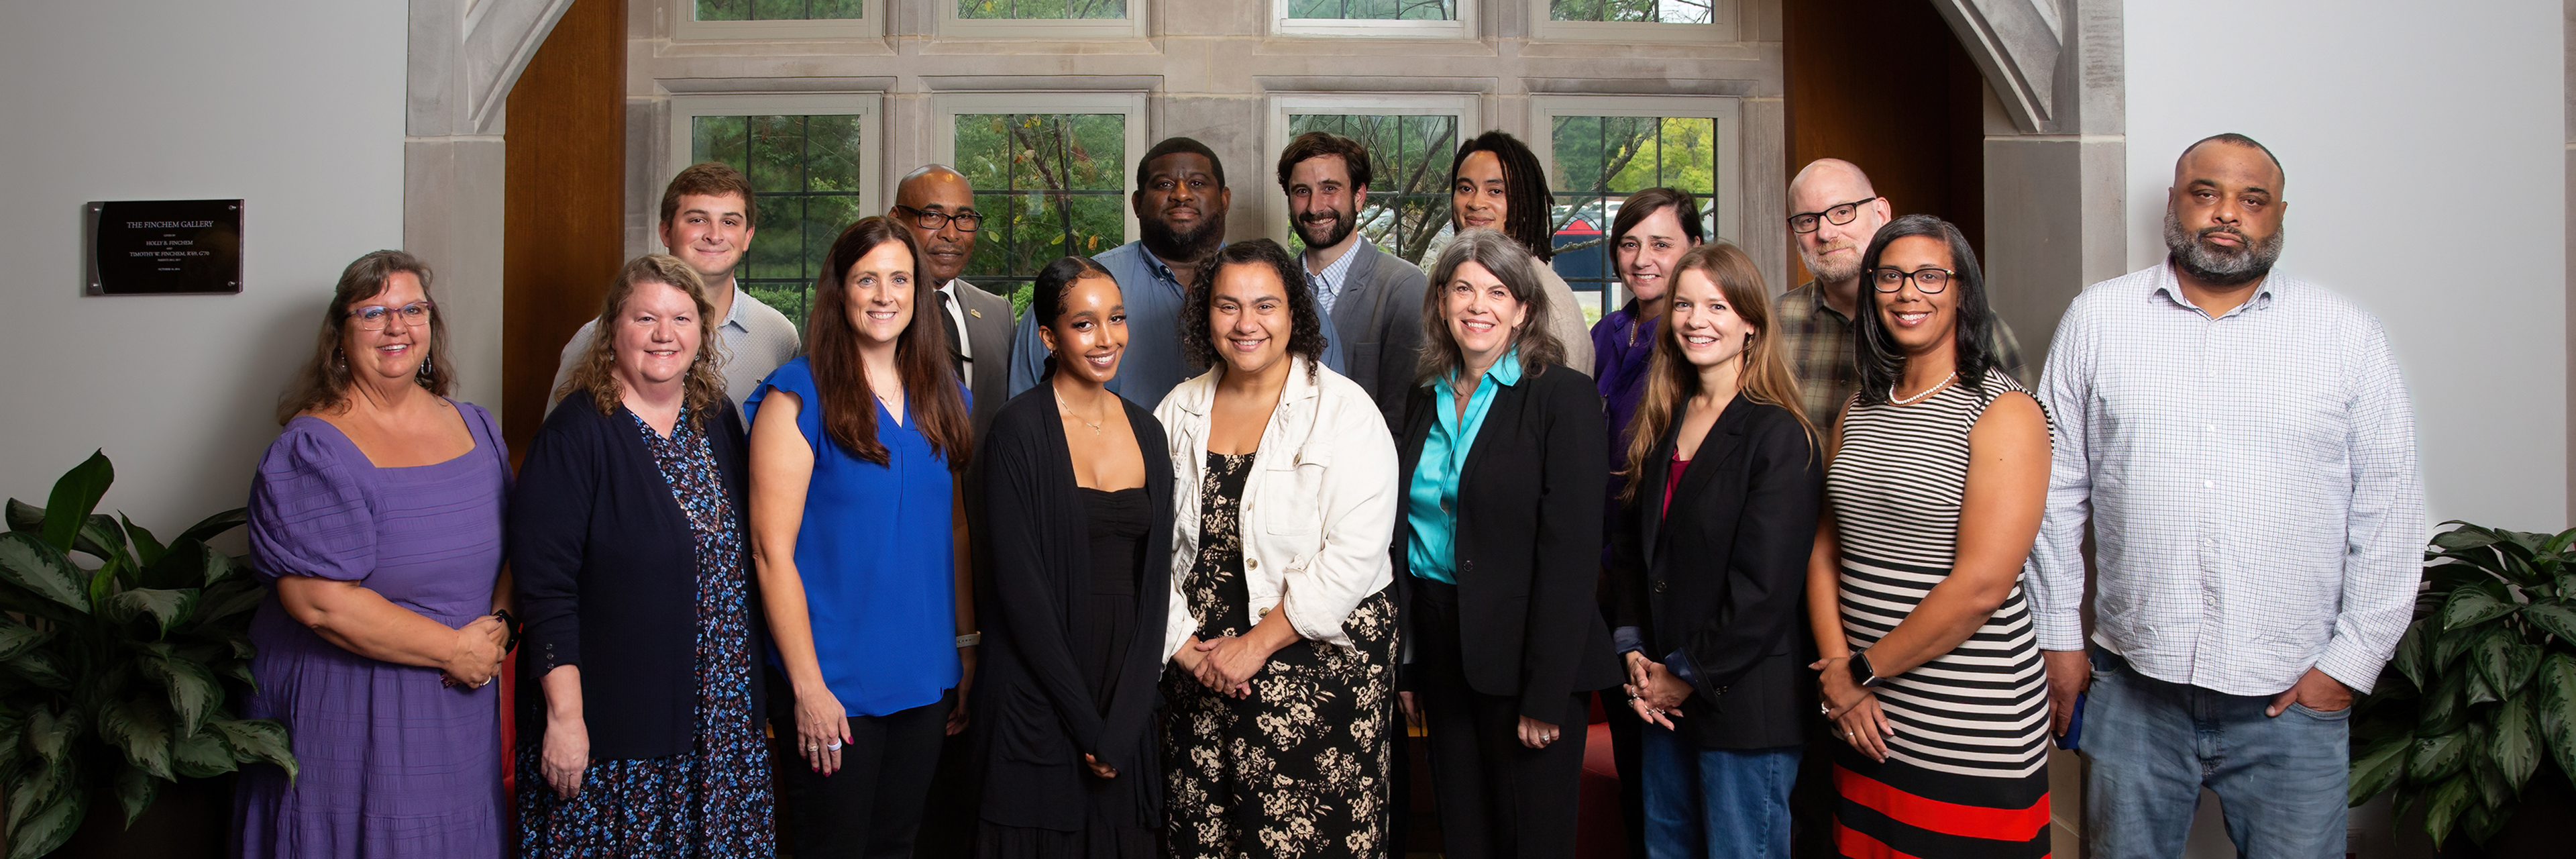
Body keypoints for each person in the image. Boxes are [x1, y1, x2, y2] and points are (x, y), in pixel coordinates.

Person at [2026, 135, 2421, 859]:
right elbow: (2054, 490)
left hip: (2292, 700)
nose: (2227, 214)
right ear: (2174, 202)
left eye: (2252, 199)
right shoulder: (2098, 319)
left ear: (2279, 216)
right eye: (2206, 193)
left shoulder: (2344, 336)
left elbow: (2391, 508)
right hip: (2133, 687)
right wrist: (2058, 635)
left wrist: (2348, 666)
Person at [237, 250, 512, 858]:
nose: (397, 326)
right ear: (340, 336)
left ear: (431, 327)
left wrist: (500, 626)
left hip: (460, 700)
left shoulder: (476, 426)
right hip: (349, 702)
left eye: (413, 309)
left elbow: (515, 545)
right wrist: (455, 650)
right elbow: (318, 604)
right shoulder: (312, 446)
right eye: (374, 313)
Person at [1805, 215, 2051, 858]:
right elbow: (1824, 547)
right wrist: (1838, 673)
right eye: (1890, 276)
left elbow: (1982, 586)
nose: (1908, 292)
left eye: (1930, 276)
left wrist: (1862, 670)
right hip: (1865, 718)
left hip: (1968, 719)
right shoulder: (1862, 405)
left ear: (1963, 291)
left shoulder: (2005, 412)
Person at [509, 255, 771, 856]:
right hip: (618, 733)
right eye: (645, 317)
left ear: (702, 333)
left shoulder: (717, 420)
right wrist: (566, 718)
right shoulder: (574, 436)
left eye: (682, 318)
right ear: (612, 331)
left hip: (724, 724)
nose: (664, 334)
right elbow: (546, 591)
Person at [1155, 239, 1401, 859]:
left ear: (1295, 312)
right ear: (1204, 315)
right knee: (1205, 836)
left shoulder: (1345, 411)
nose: (1246, 324)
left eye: (1265, 305)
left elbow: (1356, 553)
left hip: (1319, 662)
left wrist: (1255, 645)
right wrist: (1187, 650)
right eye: (1227, 306)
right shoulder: (1177, 409)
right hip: (1203, 665)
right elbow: (1147, 546)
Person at [746, 217, 977, 859]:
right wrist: (807, 688)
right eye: (866, 279)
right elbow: (771, 554)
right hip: (834, 682)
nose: (884, 295)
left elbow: (956, 528)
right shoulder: (797, 396)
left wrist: (966, 646)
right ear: (839, 291)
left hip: (926, 673)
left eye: (899, 279)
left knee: (899, 846)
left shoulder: (946, 397)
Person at [1392, 229, 1619, 858]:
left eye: (1497, 291)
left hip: (1530, 661)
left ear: (1523, 308)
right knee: (1463, 836)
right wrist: (1410, 663)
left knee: (1530, 842)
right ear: (1441, 302)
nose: (1478, 305)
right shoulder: (1423, 396)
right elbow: (1406, 540)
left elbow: (1571, 559)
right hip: (1442, 651)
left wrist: (1546, 695)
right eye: (1463, 288)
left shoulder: (1562, 397)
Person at [1606, 242, 1821, 859]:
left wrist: (1683, 676)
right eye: (1685, 305)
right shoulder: (1664, 418)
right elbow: (1630, 550)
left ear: (1751, 321)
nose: (1697, 320)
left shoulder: (1780, 434)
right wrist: (1635, 654)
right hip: (1664, 701)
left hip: (1742, 705)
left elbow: (1765, 590)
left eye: (1717, 306)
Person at [971, 256, 1173, 858]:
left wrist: (1128, 717)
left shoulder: (1147, 431)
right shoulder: (1016, 431)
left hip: (1124, 699)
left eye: (1116, 318)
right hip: (1040, 694)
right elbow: (1020, 594)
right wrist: (1089, 727)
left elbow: (1158, 583)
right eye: (1084, 324)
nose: (1106, 338)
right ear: (1048, 338)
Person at [1010, 138, 1342, 407]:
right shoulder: (1074, 290)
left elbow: (1330, 402)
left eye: (1197, 183)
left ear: (1224, 199)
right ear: (1137, 203)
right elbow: (1025, 418)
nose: (1181, 194)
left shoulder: (1283, 289)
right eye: (1165, 184)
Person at [1586, 188, 1706, 858]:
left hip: (1666, 577)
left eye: (1661, 243)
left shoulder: (1696, 340)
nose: (1642, 258)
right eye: (1629, 244)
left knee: (1686, 767)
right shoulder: (1606, 333)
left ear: (1693, 248)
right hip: (1607, 578)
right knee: (1640, 772)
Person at [1774, 158, 2027, 430]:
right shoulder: (1771, 323)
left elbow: (2021, 432)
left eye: (1842, 212)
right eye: (1808, 220)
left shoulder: (1961, 320)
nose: (1825, 232)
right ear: (1794, 231)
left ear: (1881, 213)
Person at [549, 162, 800, 419]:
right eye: (697, 220)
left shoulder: (779, 336)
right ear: (666, 232)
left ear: (747, 237)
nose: (714, 235)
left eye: (729, 222)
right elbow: (560, 445)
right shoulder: (599, 337)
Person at [1279, 130, 1431, 424]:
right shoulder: (1274, 285)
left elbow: (1403, 418)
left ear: (1359, 196)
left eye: (1330, 188)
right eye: (1302, 191)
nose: (1315, 206)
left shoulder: (1403, 287)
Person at [1446, 130, 1594, 378]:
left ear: (1524, 201)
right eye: (1466, 188)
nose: (1475, 202)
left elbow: (1565, 402)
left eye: (1495, 191)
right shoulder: (1451, 279)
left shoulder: (1549, 297)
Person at [895, 164, 1016, 437]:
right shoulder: (868, 311)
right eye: (933, 215)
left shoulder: (999, 315)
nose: (951, 234)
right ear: (896, 220)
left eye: (964, 218)